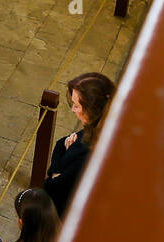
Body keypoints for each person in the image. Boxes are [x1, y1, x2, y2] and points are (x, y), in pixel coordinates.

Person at [44, 71, 115, 217]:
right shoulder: (98, 128)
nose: (73, 109)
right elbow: (60, 144)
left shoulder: (91, 153)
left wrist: (56, 173)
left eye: (76, 105)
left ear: (91, 110)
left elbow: (53, 187)